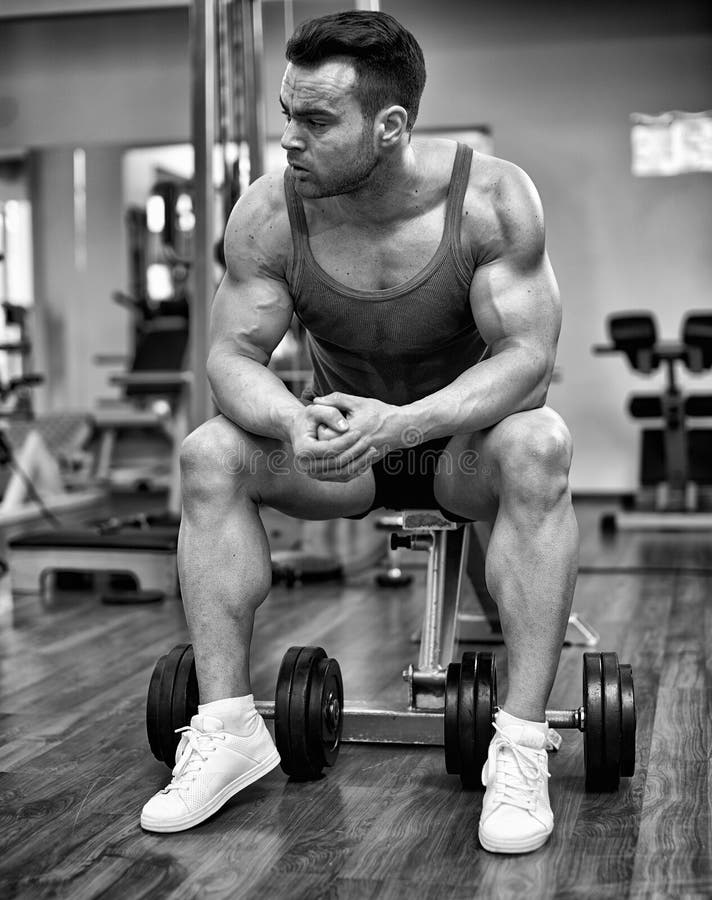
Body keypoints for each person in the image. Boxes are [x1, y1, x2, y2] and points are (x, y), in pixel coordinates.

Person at [140, 10, 579, 855]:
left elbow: (529, 358)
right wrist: (289, 418)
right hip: (337, 453)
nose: (288, 140)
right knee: (211, 453)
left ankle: (521, 747)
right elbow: (231, 358)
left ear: (390, 127)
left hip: (461, 449)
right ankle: (229, 725)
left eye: (315, 121)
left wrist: (405, 421)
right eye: (285, 115)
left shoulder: (490, 199)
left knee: (542, 440)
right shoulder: (269, 214)